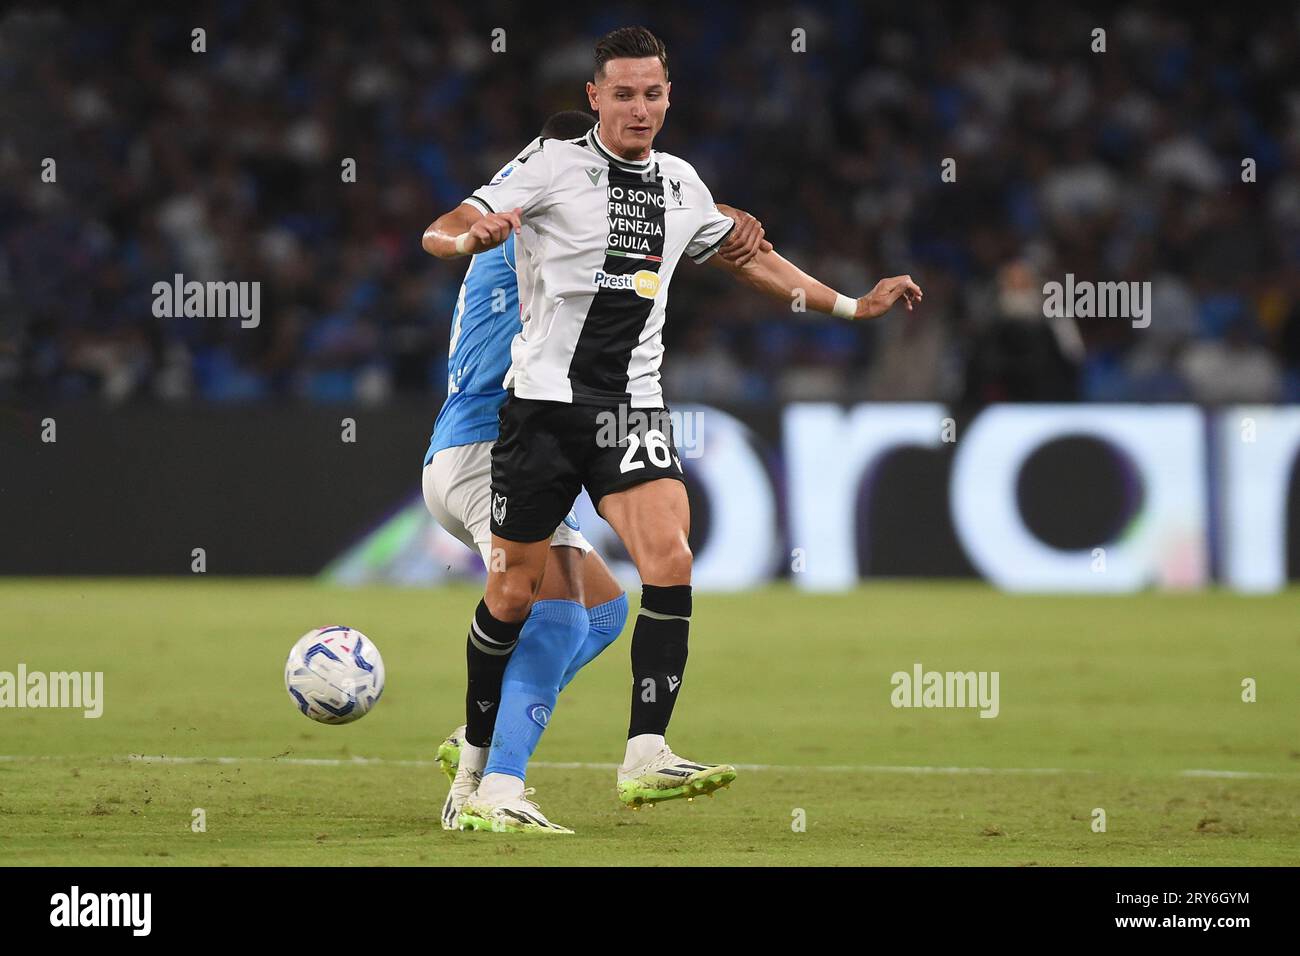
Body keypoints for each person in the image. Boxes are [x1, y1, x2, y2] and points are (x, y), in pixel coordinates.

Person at [422, 26, 921, 833]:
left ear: (668, 97)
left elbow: (745, 257)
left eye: (652, 93)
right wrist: (457, 236)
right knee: (521, 596)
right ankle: (478, 774)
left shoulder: (681, 185)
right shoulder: (544, 178)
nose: (639, 108)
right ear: (593, 101)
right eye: (622, 94)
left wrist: (850, 304)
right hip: (535, 415)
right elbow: (454, 219)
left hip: (628, 408)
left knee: (664, 561)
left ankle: (645, 751)